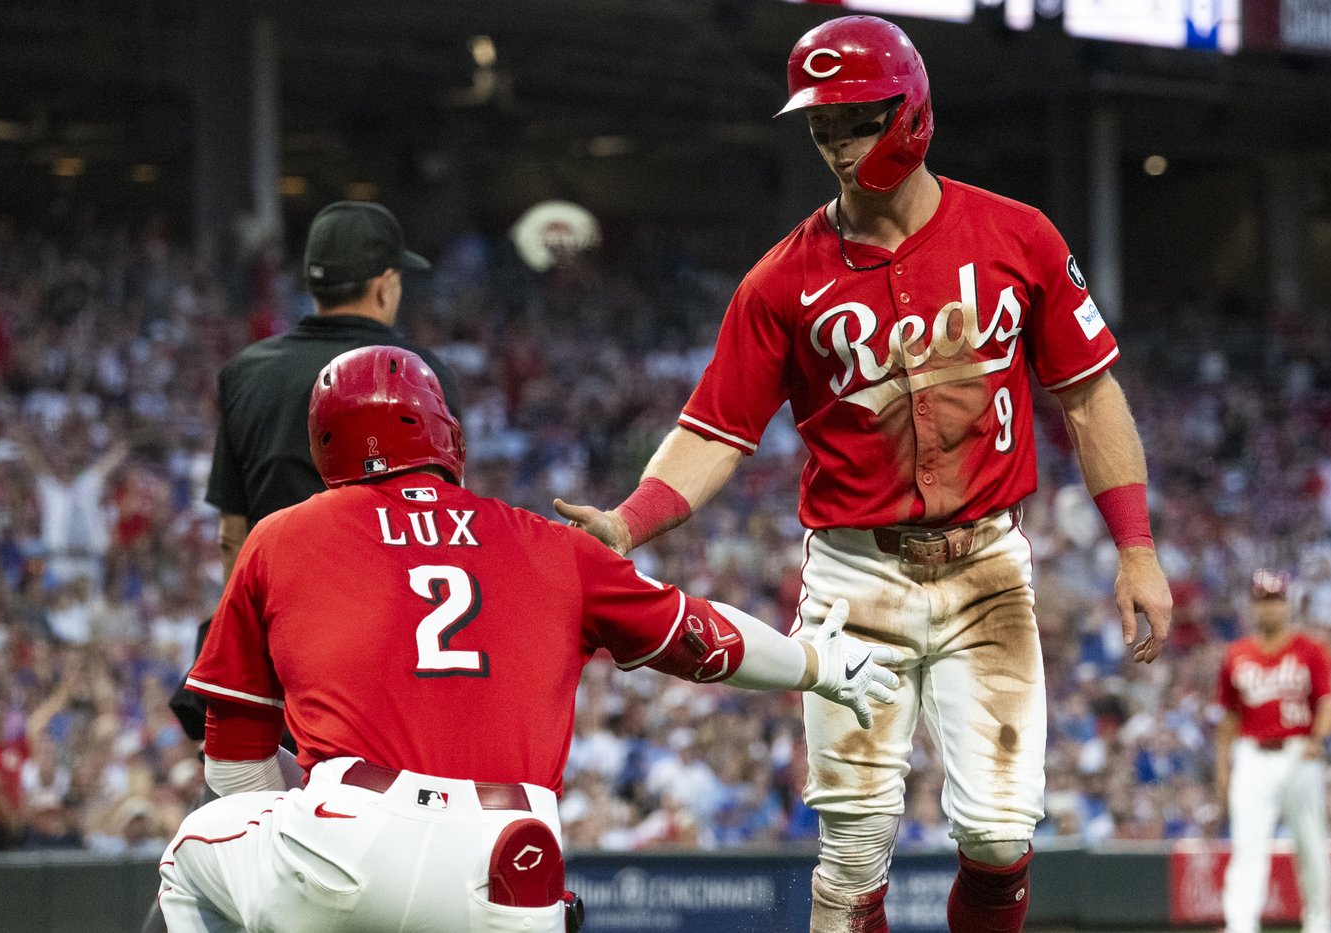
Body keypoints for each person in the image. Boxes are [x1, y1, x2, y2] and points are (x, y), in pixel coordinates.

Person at [553, 15, 1173, 933]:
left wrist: (1138, 547)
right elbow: (716, 430)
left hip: (986, 567)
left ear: (911, 112)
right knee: (850, 855)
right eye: (823, 127)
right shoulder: (780, 280)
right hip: (854, 573)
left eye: (857, 120)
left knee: (1001, 838)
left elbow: (1090, 396)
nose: (839, 146)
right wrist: (630, 521)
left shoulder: (1018, 235)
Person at [157, 345, 900, 933]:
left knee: (193, 853)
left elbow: (232, 760)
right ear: (443, 431)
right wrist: (817, 663)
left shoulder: (281, 536)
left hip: (348, 837)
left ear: (325, 447)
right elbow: (698, 635)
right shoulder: (548, 543)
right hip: (512, 857)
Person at [168, 200, 463, 739]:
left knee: (247, 808)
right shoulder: (424, 374)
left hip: (274, 654)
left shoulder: (245, 373)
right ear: (385, 283)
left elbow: (233, 536)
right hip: (382, 667)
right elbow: (440, 524)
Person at [1215, 569, 1331, 933]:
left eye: (1275, 599)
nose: (1269, 607)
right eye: (1262, 599)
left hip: (1299, 752)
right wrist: (1222, 767)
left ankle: (1319, 924)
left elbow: (1330, 702)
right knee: (1247, 847)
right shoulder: (1236, 654)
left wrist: (1318, 738)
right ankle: (1241, 925)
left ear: (1286, 603)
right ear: (1252, 606)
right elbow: (1228, 717)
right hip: (1252, 755)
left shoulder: (1311, 649)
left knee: (1311, 844)